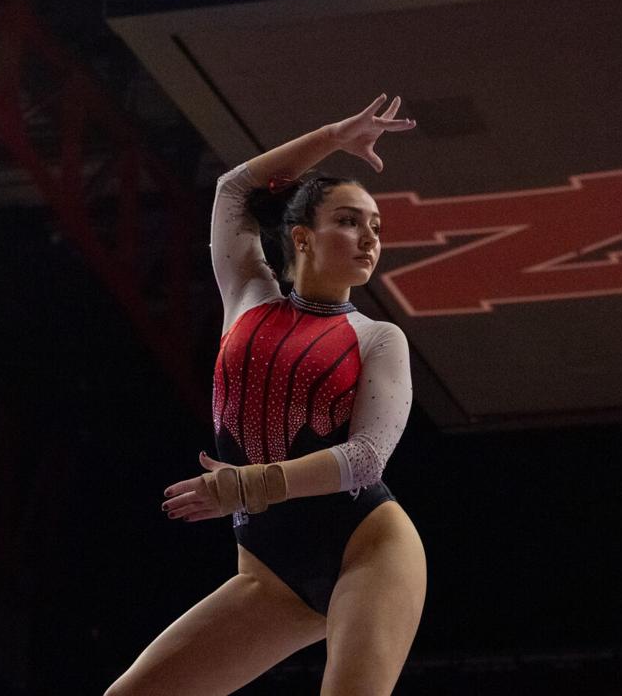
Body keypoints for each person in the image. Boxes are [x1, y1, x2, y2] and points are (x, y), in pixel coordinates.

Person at [106, 94, 425, 696]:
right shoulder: (248, 295)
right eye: (349, 221)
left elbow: (365, 460)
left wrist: (247, 486)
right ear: (301, 237)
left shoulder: (379, 339)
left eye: (376, 228)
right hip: (271, 574)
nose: (369, 238)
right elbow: (234, 190)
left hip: (370, 549)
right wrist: (334, 135)